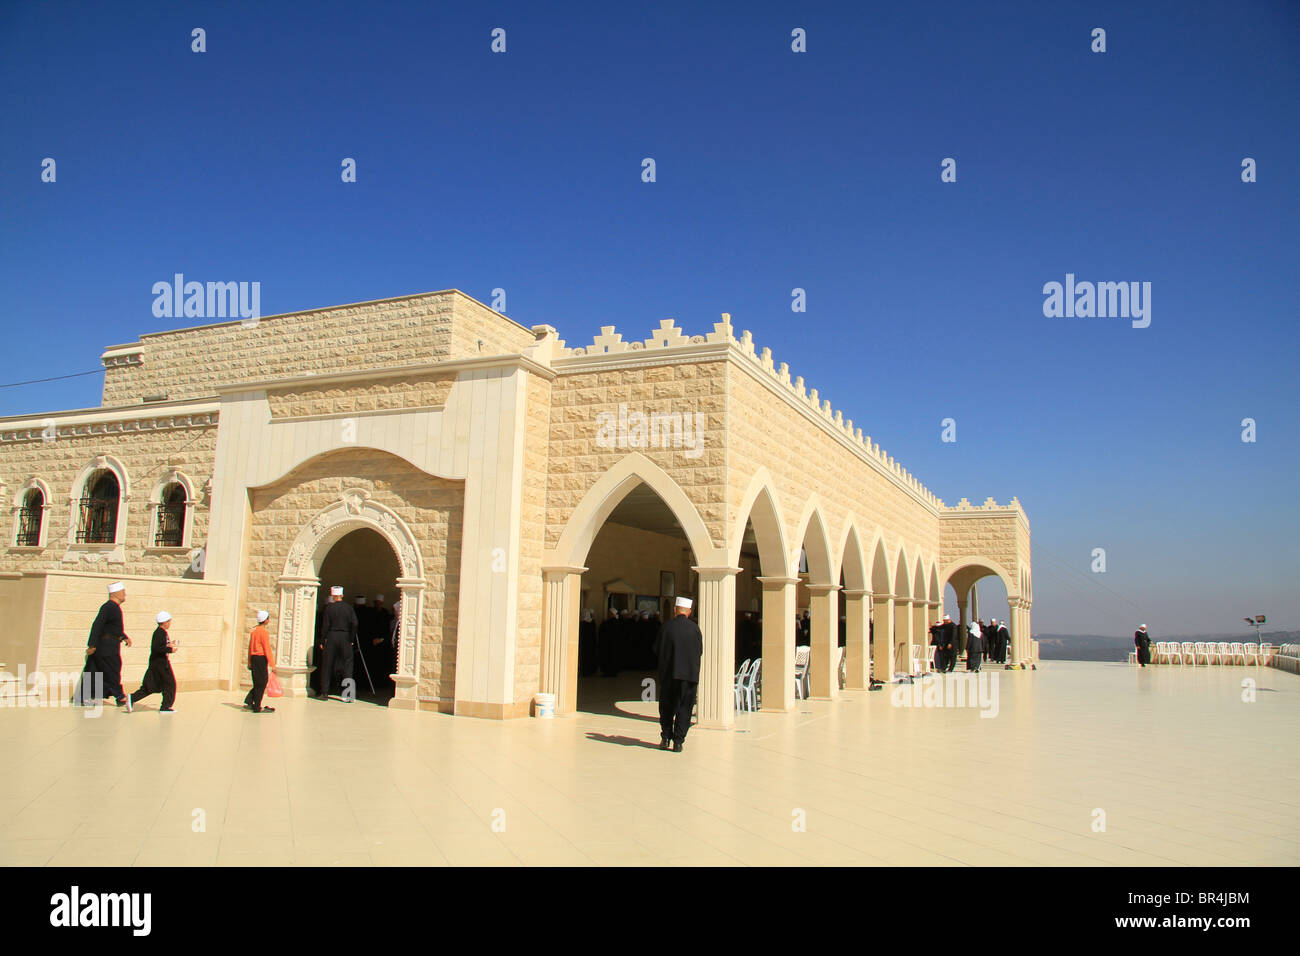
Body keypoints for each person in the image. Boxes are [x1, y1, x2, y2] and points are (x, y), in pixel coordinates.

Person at [76, 581, 133, 709]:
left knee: (93, 671)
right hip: (106, 646)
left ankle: (81, 697)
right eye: (123, 592)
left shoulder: (114, 608)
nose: (125, 594)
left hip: (108, 644)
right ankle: (120, 696)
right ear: (115, 593)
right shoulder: (108, 607)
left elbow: (112, 628)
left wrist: (124, 637)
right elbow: (97, 625)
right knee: (112, 669)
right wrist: (92, 645)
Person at [657, 596, 703, 753]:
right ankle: (678, 741)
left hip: (669, 674)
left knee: (667, 706)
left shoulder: (666, 627)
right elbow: (699, 651)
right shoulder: (695, 629)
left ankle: (665, 737)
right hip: (688, 675)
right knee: (685, 707)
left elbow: (657, 649)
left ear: (675, 610)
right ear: (689, 612)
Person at [128, 611, 178, 712]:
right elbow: (156, 648)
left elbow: (160, 646)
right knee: (170, 684)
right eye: (169, 621)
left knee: (151, 686)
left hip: (158, 664)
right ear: (164, 622)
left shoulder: (161, 633)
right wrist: (170, 650)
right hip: (160, 665)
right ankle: (165, 707)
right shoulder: (160, 633)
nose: (169, 623)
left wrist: (170, 644)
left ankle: (132, 698)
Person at [318, 585, 357, 701]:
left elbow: (325, 626)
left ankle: (324, 693)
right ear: (342, 595)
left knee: (327, 665)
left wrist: (322, 640)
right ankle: (348, 695)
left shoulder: (329, 608)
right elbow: (354, 623)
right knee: (348, 664)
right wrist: (351, 639)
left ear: (333, 596)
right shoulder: (349, 608)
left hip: (331, 636)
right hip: (345, 636)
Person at [244, 610, 276, 713]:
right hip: (261, 658)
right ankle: (256, 706)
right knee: (262, 682)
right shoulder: (264, 632)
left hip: (254, 658)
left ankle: (250, 700)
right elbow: (267, 648)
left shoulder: (254, 631)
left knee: (258, 682)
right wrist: (272, 664)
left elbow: (250, 647)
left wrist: (249, 661)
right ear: (265, 620)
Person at [597, 609, 621, 677]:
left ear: (612, 614)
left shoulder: (608, 623)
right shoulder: (616, 622)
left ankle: (609, 672)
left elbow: (603, 632)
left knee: (609, 658)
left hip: (609, 645)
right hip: (614, 645)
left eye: (609, 613)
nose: (608, 614)